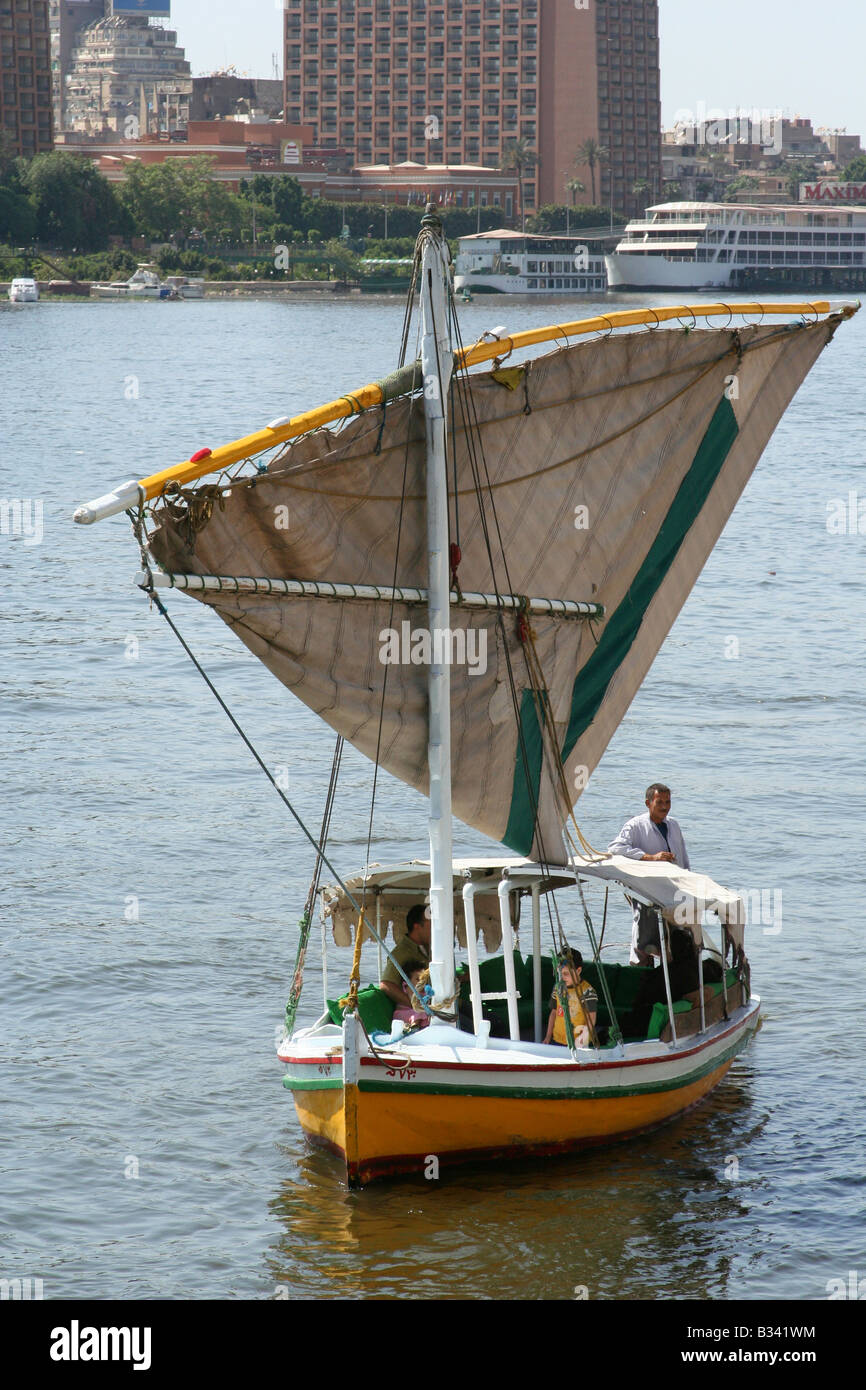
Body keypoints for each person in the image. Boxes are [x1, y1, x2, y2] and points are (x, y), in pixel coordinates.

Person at [609, 783, 690, 966]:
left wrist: (688, 882)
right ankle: (641, 971)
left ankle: (672, 973)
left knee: (676, 936)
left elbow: (683, 857)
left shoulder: (673, 825)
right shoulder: (636, 825)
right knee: (644, 933)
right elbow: (616, 848)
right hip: (646, 891)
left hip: (674, 890)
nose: (664, 806)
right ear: (648, 803)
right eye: (659, 802)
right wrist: (651, 857)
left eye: (668, 802)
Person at [379, 902, 431, 1006]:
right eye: (430, 925)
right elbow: (385, 984)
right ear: (417, 927)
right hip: (424, 1014)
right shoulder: (401, 953)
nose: (434, 929)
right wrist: (417, 1006)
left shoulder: (430, 948)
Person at [544, 949, 598, 1048]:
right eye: (559, 974)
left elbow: (591, 1018)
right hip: (557, 1040)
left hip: (578, 1043)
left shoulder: (587, 991)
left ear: (578, 971)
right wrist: (548, 1037)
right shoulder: (558, 987)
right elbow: (553, 1013)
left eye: (566, 974)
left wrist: (582, 1038)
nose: (562, 978)